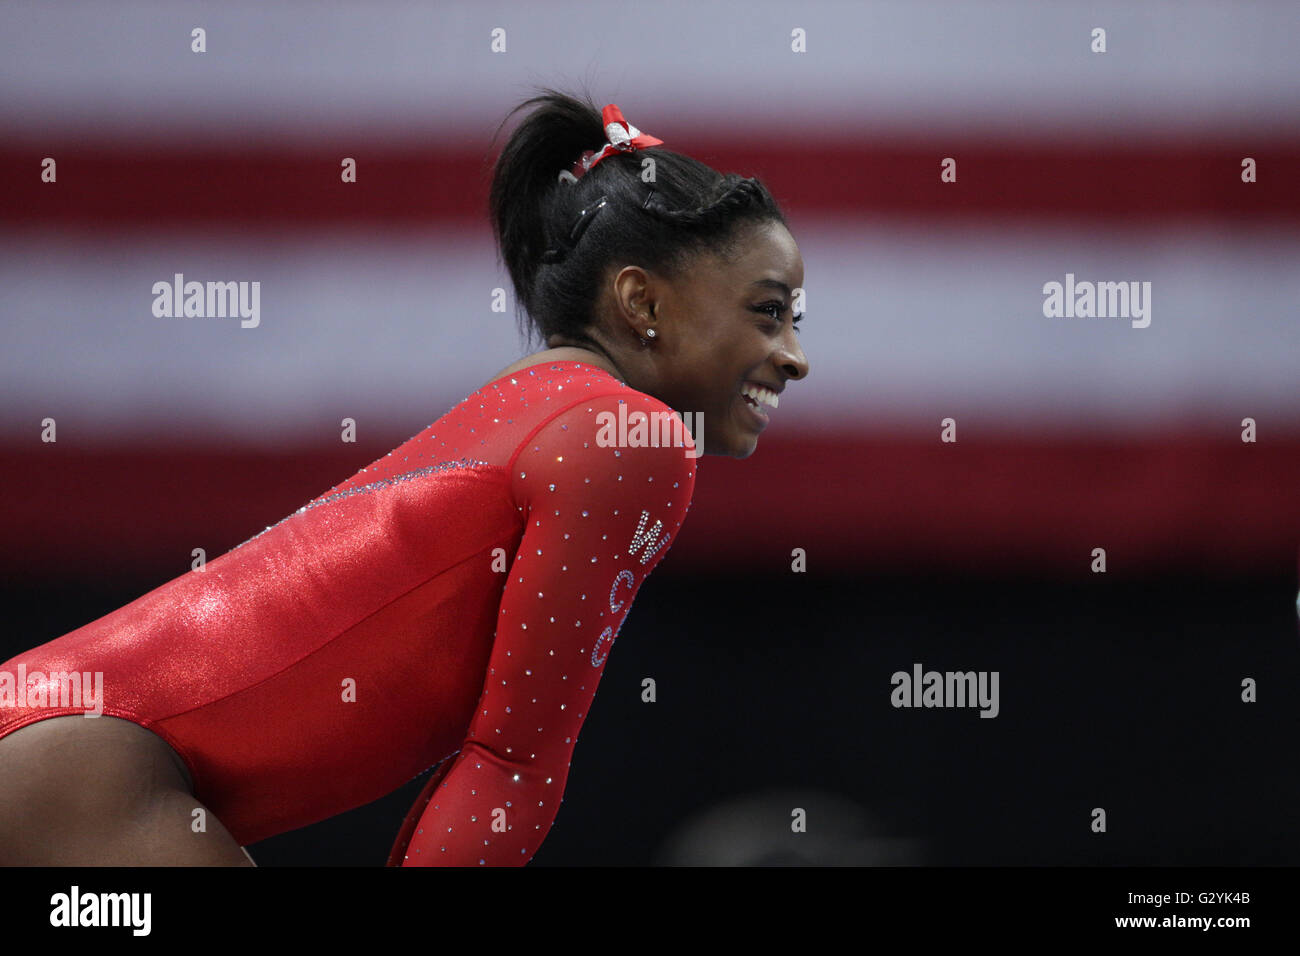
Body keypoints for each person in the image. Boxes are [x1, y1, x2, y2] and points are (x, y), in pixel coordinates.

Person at [0, 89, 808, 866]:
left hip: (53, 746)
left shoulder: (544, 405)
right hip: (84, 771)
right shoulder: (625, 440)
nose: (795, 357)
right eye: (768, 311)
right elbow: (512, 765)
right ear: (640, 300)